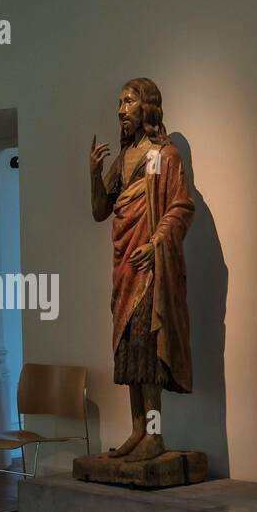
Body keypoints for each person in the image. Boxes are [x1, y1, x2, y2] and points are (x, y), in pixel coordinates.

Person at [89, 77, 194, 462]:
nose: (121, 110)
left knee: (148, 349)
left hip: (150, 267)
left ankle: (155, 435)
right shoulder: (125, 158)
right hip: (125, 266)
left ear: (147, 106)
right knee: (129, 346)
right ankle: (137, 429)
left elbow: (181, 207)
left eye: (129, 102)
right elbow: (101, 211)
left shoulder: (164, 156)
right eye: (119, 102)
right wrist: (93, 173)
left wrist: (157, 242)